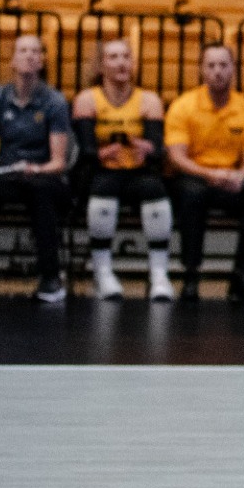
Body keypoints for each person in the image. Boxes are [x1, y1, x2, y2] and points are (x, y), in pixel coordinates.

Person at [0, 34, 73, 303]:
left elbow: (59, 162)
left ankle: (50, 279)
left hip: (43, 174)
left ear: (43, 60)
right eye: (23, 51)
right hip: (8, 173)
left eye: (36, 51)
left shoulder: (54, 102)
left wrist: (36, 169)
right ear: (12, 60)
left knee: (40, 191)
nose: (30, 56)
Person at [166, 44, 244, 302]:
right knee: (193, 196)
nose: (217, 72)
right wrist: (208, 174)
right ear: (201, 70)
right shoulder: (183, 106)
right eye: (211, 65)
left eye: (223, 65)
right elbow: (177, 157)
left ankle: (243, 277)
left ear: (233, 70)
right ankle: (191, 275)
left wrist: (240, 177)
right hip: (195, 175)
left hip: (230, 179)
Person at [73, 39, 174, 302]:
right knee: (102, 191)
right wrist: (101, 153)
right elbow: (84, 150)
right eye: (114, 57)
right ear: (101, 66)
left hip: (137, 170)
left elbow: (158, 148)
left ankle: (159, 274)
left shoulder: (148, 100)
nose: (121, 63)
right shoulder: (87, 99)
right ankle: (103, 272)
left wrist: (146, 148)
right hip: (101, 170)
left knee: (156, 191)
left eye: (126, 57)